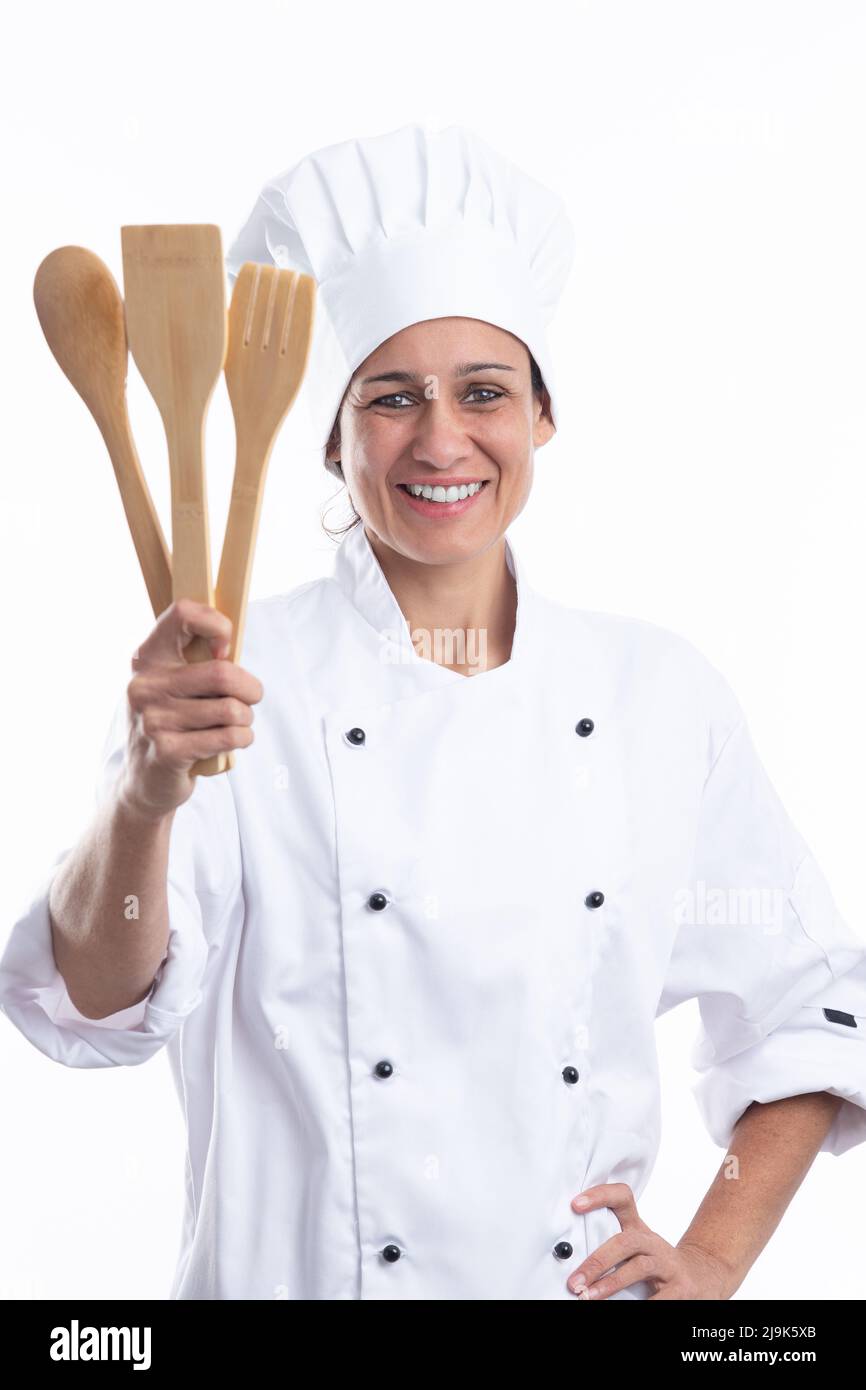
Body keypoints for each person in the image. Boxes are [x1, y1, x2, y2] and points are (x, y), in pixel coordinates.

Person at [2, 122, 865, 1302]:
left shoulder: (654, 696)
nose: (441, 438)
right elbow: (97, 994)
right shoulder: (223, 679)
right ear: (331, 434)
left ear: (542, 418)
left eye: (484, 393)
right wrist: (142, 798)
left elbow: (804, 1000)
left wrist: (714, 1255)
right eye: (392, 396)